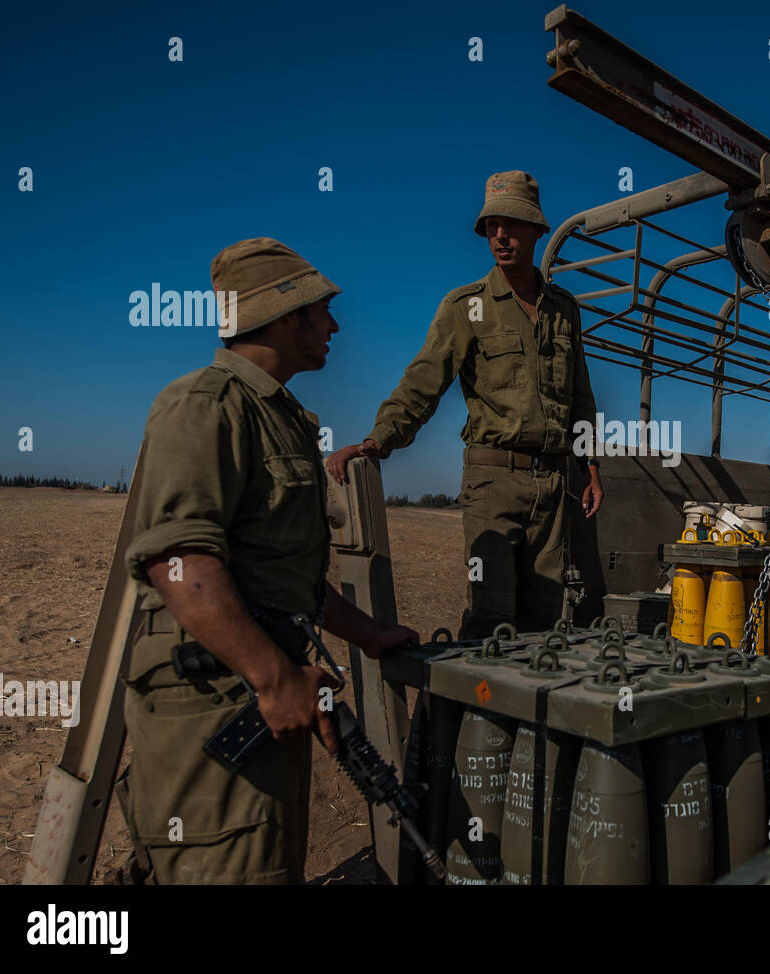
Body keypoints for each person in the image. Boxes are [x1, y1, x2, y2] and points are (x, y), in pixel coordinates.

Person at [121, 238, 418, 883]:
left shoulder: (282, 416)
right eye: (323, 311)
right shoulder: (205, 404)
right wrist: (273, 679)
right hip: (215, 702)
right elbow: (177, 559)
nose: (335, 326)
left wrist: (366, 635)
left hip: (260, 691)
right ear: (287, 317)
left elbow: (288, 579)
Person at [327, 171, 603, 638]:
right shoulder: (464, 307)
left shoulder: (564, 309)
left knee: (547, 619)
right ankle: (470, 712)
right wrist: (379, 439)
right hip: (492, 481)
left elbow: (580, 395)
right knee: (490, 615)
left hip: (555, 484)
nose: (500, 235)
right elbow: (423, 382)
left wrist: (591, 465)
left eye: (512, 224)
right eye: (492, 225)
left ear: (536, 230)